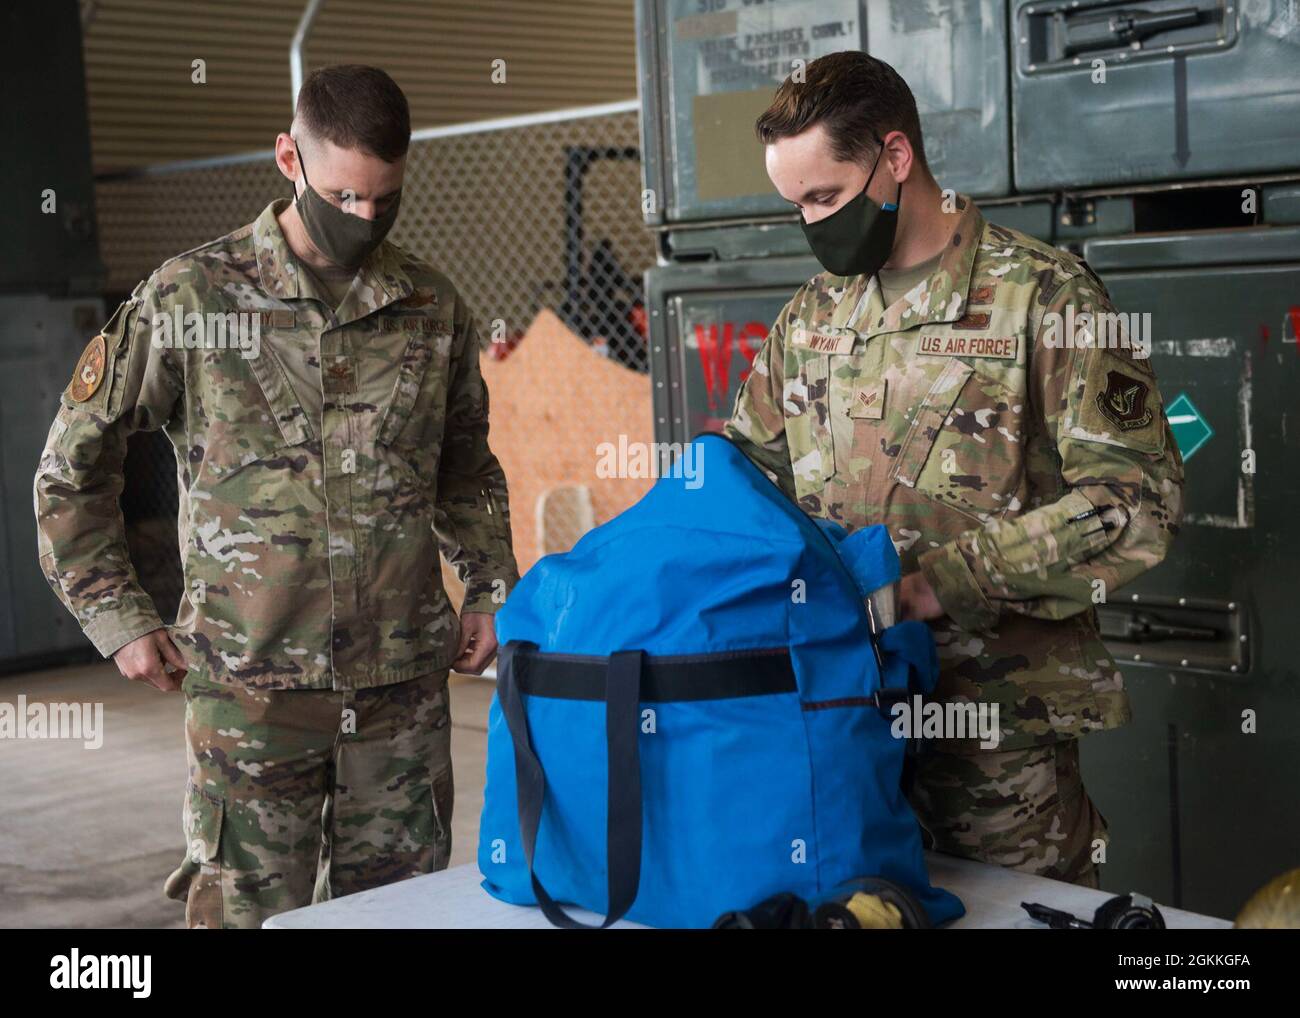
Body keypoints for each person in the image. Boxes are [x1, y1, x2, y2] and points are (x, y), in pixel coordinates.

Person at [34, 64, 519, 927]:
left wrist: (486, 587)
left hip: (399, 694)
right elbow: (73, 467)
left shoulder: (431, 306)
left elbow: (465, 467)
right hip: (249, 690)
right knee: (247, 916)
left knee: (401, 916)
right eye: (345, 196)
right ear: (288, 158)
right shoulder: (192, 297)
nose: (366, 219)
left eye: (385, 199)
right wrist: (118, 615)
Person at [725, 51, 1184, 887]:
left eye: (824, 196)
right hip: (840, 716)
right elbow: (743, 482)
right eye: (794, 205)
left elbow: (1137, 499)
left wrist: (938, 585)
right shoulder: (812, 316)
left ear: (894, 159)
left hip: (995, 733)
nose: (810, 223)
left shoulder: (1043, 297)